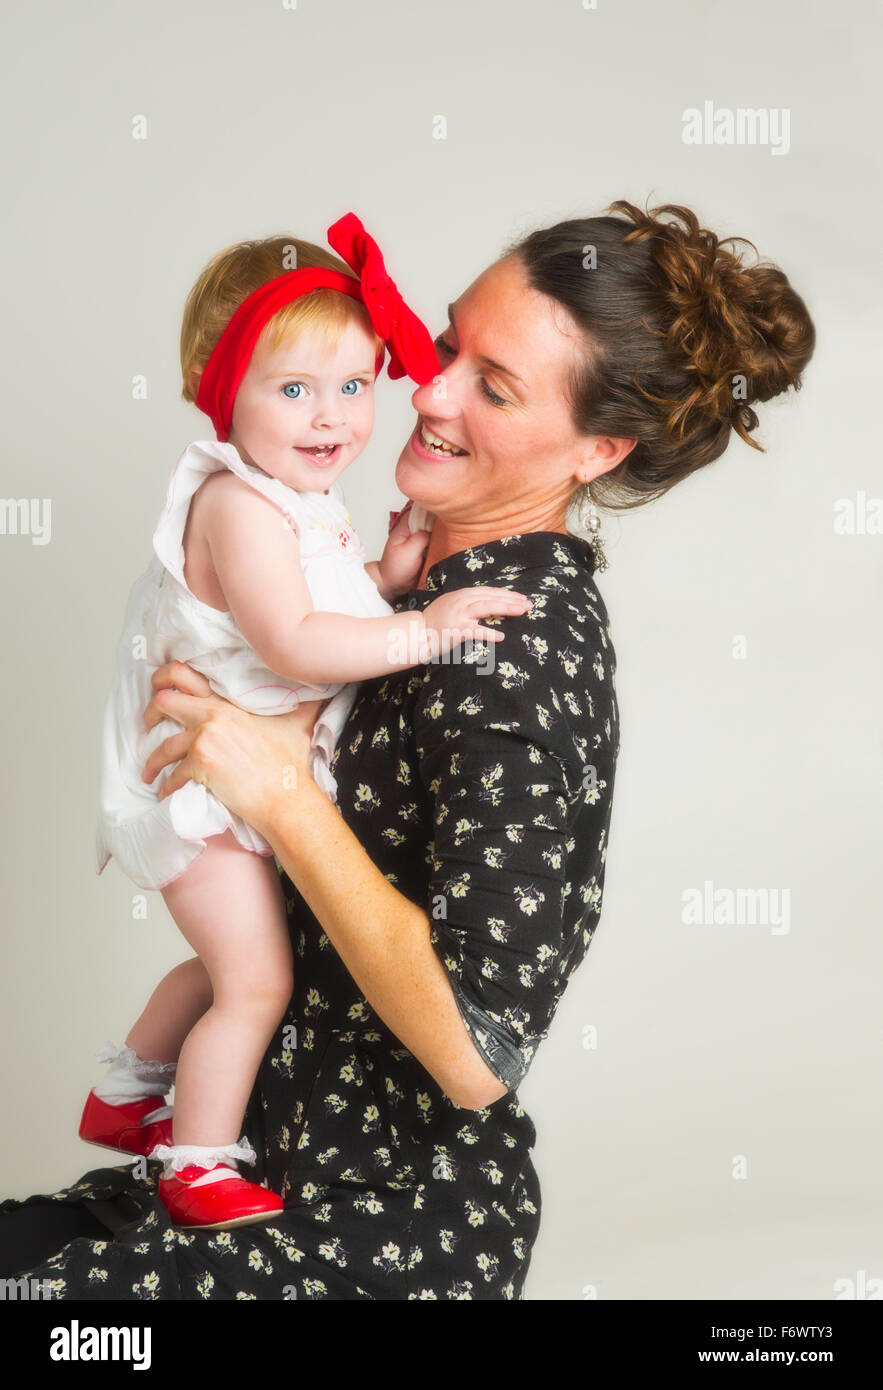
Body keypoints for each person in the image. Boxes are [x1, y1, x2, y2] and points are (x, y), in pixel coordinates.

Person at [0, 201, 814, 1298]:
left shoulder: (507, 653)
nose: (423, 395)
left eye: (495, 385)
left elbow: (478, 1055)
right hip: (262, 1156)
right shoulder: (397, 576)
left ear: (598, 449)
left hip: (380, 1216)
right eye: (443, 348)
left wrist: (281, 793)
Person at [85, 212, 533, 1232]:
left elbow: (314, 602)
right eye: (293, 389)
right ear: (219, 388)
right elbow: (290, 641)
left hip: (237, 778)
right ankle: (194, 1164)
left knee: (233, 956)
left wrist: (384, 576)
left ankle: (126, 1089)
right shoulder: (237, 506)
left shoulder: (295, 494)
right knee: (257, 982)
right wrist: (421, 629)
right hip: (206, 788)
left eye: (353, 385)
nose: (330, 417)